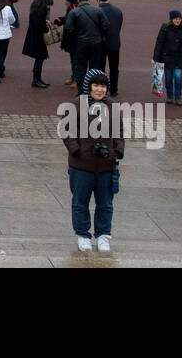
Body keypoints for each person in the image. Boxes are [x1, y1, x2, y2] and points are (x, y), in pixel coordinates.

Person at [65, 68, 123, 253]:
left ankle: (103, 235)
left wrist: (117, 151)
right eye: (96, 85)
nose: (100, 89)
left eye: (103, 86)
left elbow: (119, 131)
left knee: (105, 203)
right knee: (80, 202)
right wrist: (76, 151)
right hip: (81, 165)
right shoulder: (75, 105)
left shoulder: (113, 106)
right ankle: (83, 234)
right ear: (88, 86)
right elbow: (66, 130)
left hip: (107, 166)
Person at [61, 0, 108, 92]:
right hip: (96, 42)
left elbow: (69, 27)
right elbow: (105, 25)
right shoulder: (98, 10)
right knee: (94, 66)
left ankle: (81, 89)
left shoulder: (75, 12)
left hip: (82, 43)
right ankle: (92, 87)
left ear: (78, 1)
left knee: (81, 66)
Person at [153, 9, 182, 106]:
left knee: (178, 77)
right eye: (175, 19)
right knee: (168, 78)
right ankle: (170, 96)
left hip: (179, 58)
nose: (177, 21)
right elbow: (159, 43)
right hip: (167, 58)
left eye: (179, 19)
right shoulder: (165, 29)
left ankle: (178, 96)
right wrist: (156, 58)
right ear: (171, 19)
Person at [21, 0, 54, 89]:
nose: (49, 7)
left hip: (35, 37)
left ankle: (38, 79)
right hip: (37, 39)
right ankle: (36, 80)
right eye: (48, 5)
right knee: (39, 59)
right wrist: (46, 27)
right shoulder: (39, 13)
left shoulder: (36, 11)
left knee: (39, 59)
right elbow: (41, 27)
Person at [94, 0, 123, 96]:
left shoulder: (97, 11)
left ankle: (102, 88)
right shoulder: (118, 11)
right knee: (114, 68)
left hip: (102, 43)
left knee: (101, 67)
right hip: (115, 43)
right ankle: (114, 89)